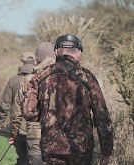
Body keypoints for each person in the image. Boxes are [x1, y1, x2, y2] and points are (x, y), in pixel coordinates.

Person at [20, 34, 114, 165]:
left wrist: (45, 117)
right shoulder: (87, 77)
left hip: (51, 148)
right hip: (81, 149)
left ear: (56, 52)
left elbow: (28, 112)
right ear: (79, 53)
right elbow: (102, 117)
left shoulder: (40, 75)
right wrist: (107, 150)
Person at [9, 42, 56, 165]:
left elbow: (17, 111)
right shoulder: (65, 79)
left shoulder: (28, 80)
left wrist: (14, 133)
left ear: (36, 62)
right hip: (58, 136)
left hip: (34, 136)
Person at [0, 51, 37, 165]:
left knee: (23, 157)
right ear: (35, 62)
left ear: (21, 63)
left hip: (18, 127)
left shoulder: (13, 80)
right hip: (37, 129)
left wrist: (1, 122)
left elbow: (5, 103)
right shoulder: (41, 79)